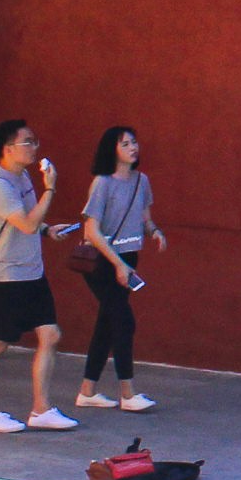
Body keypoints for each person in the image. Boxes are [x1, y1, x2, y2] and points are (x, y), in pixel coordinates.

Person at [0, 120, 75, 432]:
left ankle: (41, 409)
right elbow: (26, 224)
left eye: (34, 141)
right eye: (27, 142)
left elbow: (34, 224)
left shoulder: (24, 179)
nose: (34, 147)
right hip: (7, 277)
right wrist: (51, 188)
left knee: (50, 334)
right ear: (8, 149)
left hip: (33, 272)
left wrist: (49, 230)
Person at [72, 125, 165, 412]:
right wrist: (119, 265)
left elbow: (144, 215)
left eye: (134, 142)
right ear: (112, 149)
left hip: (128, 257)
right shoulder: (103, 183)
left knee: (108, 323)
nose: (133, 147)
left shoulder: (141, 181)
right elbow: (92, 230)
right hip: (103, 262)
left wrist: (154, 231)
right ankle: (128, 393)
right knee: (124, 322)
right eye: (125, 144)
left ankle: (87, 391)